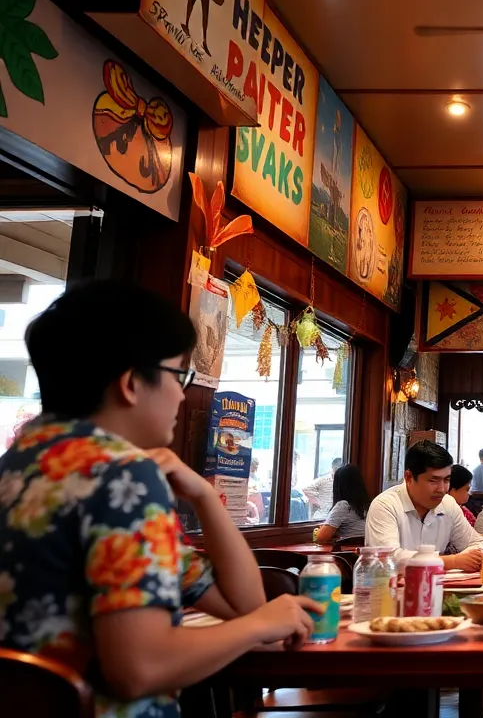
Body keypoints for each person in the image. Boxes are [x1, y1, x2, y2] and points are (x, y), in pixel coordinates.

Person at [0, 281, 320, 718]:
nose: (182, 394)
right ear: (132, 383)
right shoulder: (122, 478)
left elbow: (239, 604)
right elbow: (140, 667)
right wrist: (261, 625)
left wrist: (204, 495)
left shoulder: (17, 466)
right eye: (178, 375)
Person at [366, 440, 483, 571]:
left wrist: (477, 555)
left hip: (440, 583)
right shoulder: (385, 506)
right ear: (409, 478)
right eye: (433, 480)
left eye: (446, 480)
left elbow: (476, 543)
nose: (442, 489)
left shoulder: (448, 504)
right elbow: (388, 559)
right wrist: (452, 561)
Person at [315, 464, 370, 543]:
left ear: (338, 486)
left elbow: (321, 537)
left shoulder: (344, 506)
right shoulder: (367, 505)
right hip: (367, 547)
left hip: (349, 549)